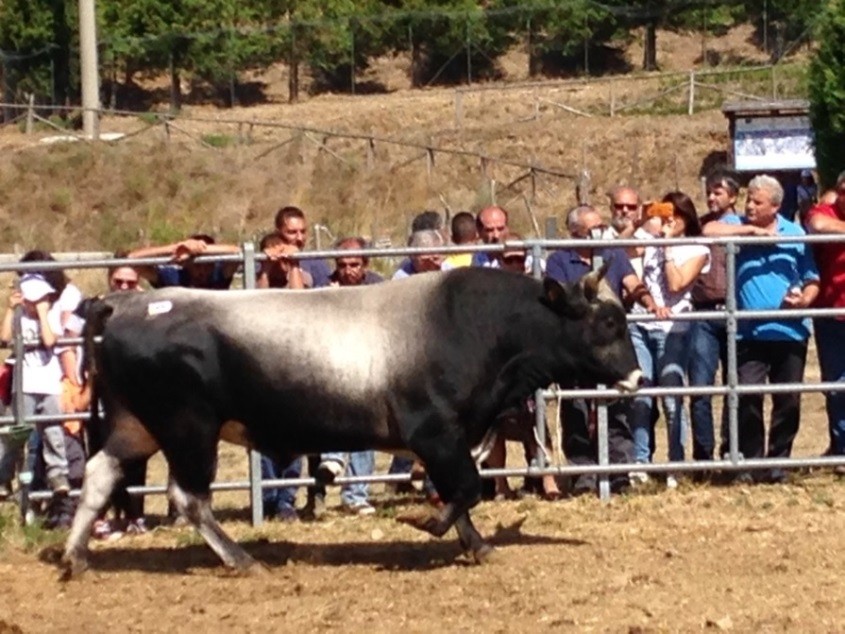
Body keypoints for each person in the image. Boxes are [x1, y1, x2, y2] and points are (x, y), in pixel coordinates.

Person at [704, 174, 819, 483]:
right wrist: (750, 230)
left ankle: (778, 463)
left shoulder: (795, 233)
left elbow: (811, 278)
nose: (750, 206)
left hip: (789, 332)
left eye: (757, 202)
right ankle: (752, 465)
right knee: (747, 397)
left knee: (788, 401)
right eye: (748, 200)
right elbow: (709, 230)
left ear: (776, 206)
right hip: (748, 334)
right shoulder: (737, 225)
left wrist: (804, 300)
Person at [546, 205, 668, 495]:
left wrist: (649, 302)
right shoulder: (559, 261)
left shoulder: (614, 254)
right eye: (593, 229)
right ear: (575, 233)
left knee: (618, 405)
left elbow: (633, 283)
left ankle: (618, 473)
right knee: (575, 407)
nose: (601, 233)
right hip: (577, 347)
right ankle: (584, 476)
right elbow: (559, 298)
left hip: (612, 346)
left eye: (601, 227)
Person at [627, 193, 710, 488]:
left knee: (671, 396)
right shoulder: (647, 237)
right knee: (641, 393)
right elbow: (621, 253)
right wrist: (639, 220)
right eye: (665, 215)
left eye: (674, 216)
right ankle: (640, 462)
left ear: (686, 218)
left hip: (674, 328)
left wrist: (666, 245)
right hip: (641, 324)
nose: (668, 221)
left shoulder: (697, 248)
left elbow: (676, 283)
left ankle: (675, 462)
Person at [316, 237, 384, 515]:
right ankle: (332, 459)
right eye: (342, 264)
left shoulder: (380, 287)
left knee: (366, 427)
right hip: (331, 367)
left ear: (365, 265)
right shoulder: (326, 289)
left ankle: (355, 495)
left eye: (354, 264)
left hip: (368, 366)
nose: (348, 270)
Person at [0, 274, 74, 526]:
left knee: (53, 432)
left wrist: (42, 314)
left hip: (49, 384)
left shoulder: (51, 315)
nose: (42, 301)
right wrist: (11, 310)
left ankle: (58, 477)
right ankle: (4, 477)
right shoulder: (19, 315)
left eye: (44, 297)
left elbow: (50, 340)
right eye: (36, 298)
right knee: (16, 433)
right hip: (24, 385)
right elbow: (5, 338)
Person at [89, 254, 149, 538]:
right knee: (101, 447)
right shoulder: (94, 308)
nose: (124, 287)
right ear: (109, 280)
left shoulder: (149, 311)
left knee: (137, 454)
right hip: (102, 388)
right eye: (119, 281)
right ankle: (100, 516)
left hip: (136, 388)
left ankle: (135, 514)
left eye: (131, 282)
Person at [255, 233, 308, 522]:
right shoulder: (260, 276)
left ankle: (286, 500)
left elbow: (299, 300)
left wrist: (294, 263)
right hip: (263, 369)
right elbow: (258, 298)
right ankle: (267, 498)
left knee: (295, 436)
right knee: (264, 440)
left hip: (294, 368)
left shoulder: (299, 274)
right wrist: (264, 267)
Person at [687, 171, 739, 463]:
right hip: (704, 313)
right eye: (709, 192)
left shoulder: (745, 225)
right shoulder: (699, 227)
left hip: (736, 313)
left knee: (737, 386)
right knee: (701, 387)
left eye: (718, 192)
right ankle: (703, 455)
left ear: (734, 196)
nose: (711, 197)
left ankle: (732, 447)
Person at [805, 169, 845, 476]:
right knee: (835, 384)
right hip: (831, 314)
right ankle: (841, 448)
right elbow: (817, 225)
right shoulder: (825, 211)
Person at [128, 234, 240, 289]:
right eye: (197, 265)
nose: (203, 270)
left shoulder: (219, 275)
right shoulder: (174, 278)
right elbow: (133, 258)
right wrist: (176, 248)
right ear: (187, 264)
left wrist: (200, 248)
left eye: (208, 264)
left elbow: (237, 252)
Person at [273, 206, 331, 288]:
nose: (300, 238)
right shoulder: (265, 261)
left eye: (303, 232)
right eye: (292, 232)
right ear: (278, 233)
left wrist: (294, 261)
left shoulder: (316, 261)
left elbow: (324, 296)